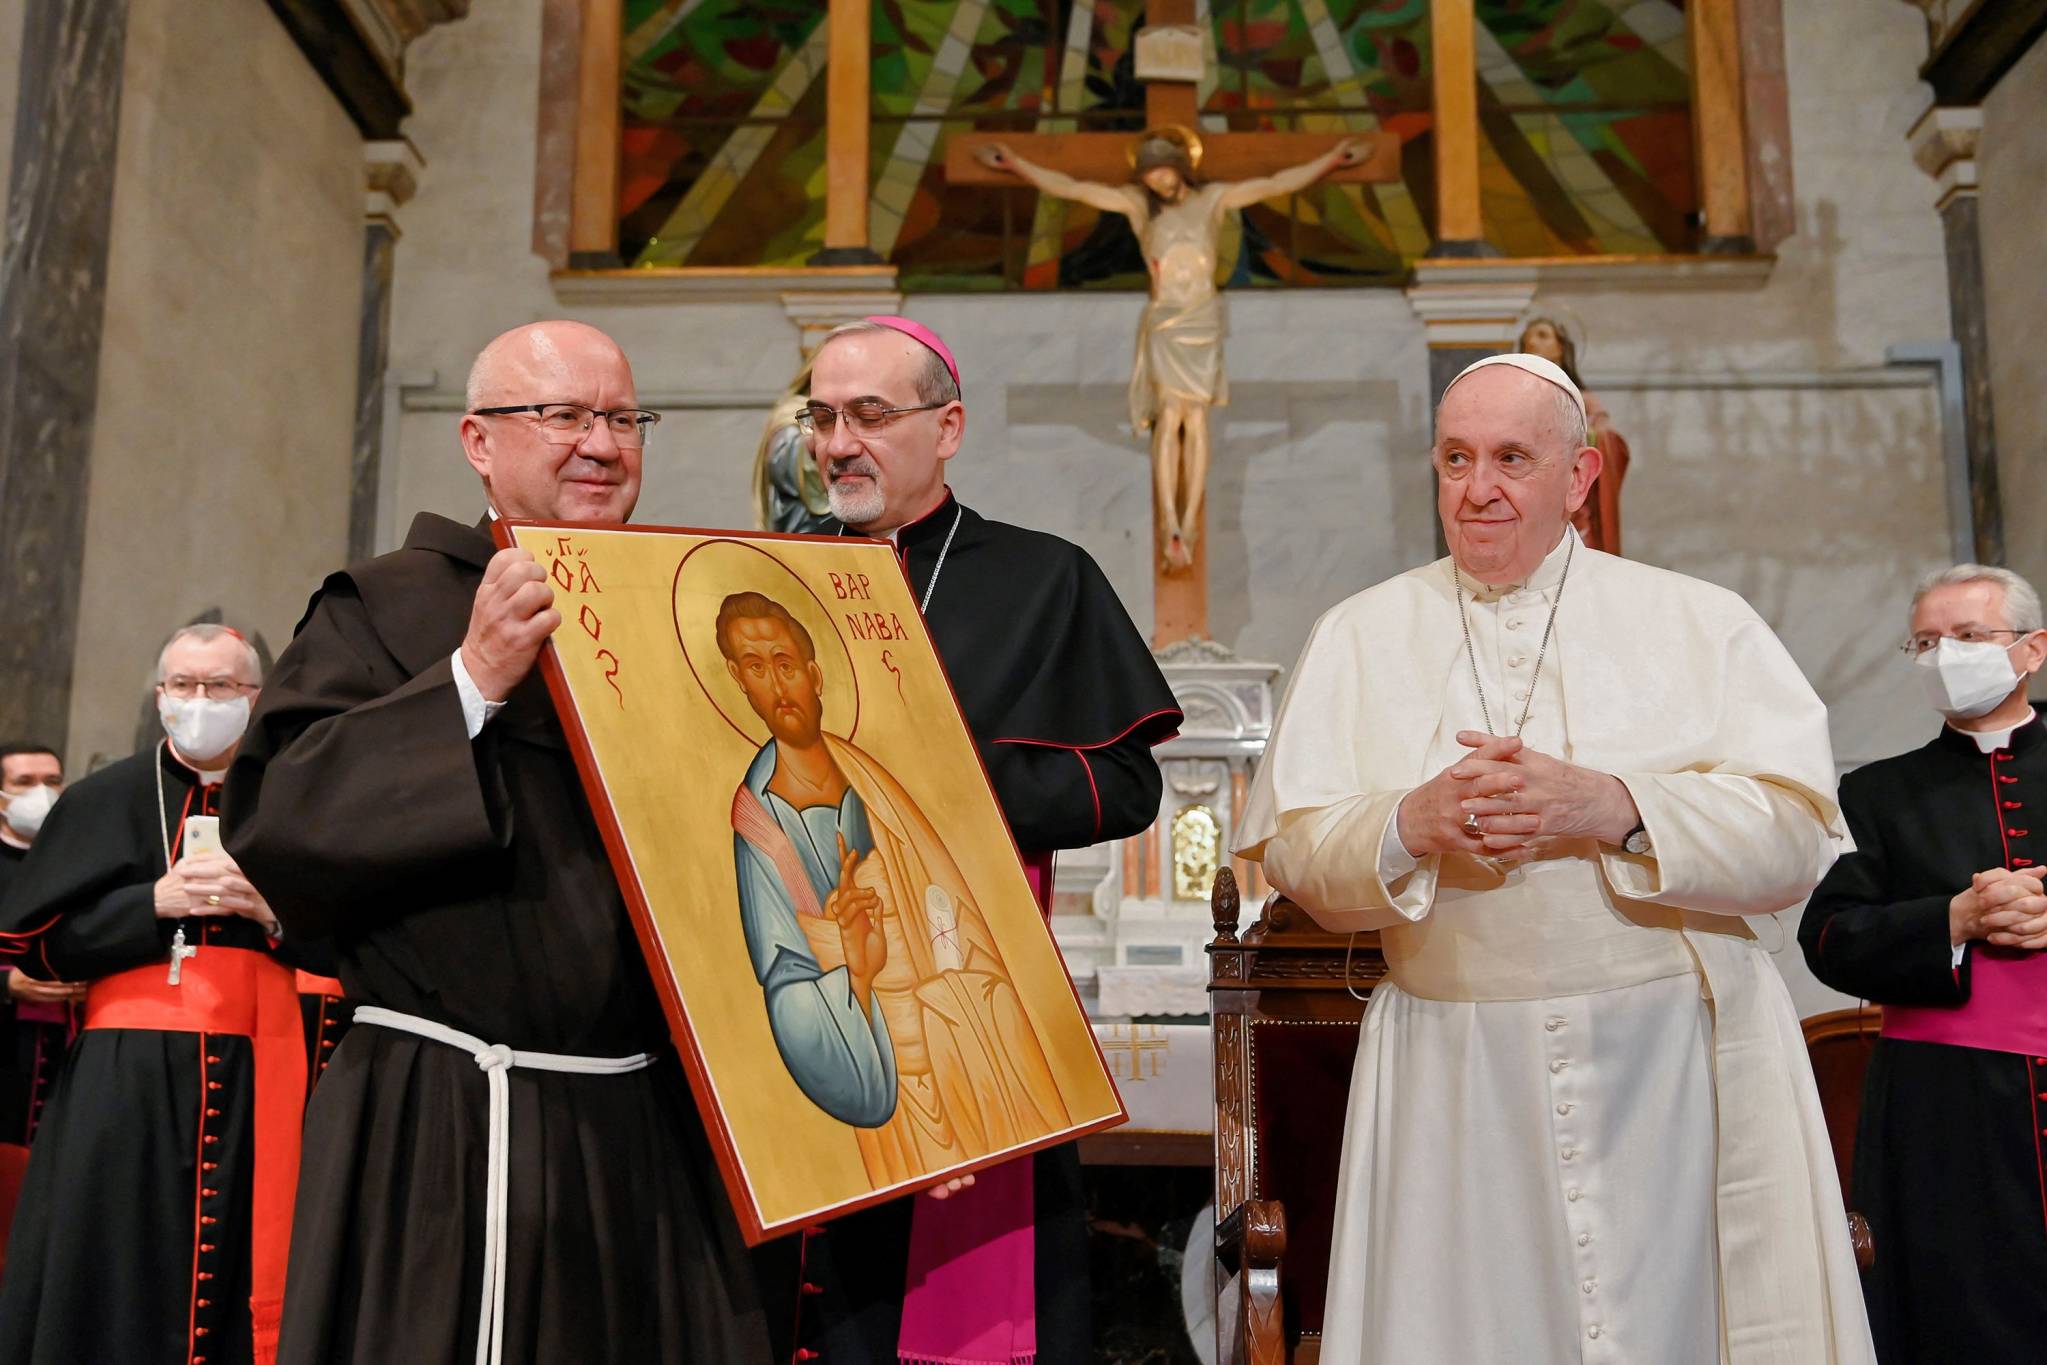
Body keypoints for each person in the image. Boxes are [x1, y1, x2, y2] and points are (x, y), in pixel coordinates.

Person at [1236, 352, 1874, 1363]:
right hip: (1453, 1070)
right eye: (1454, 458)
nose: (1476, 489)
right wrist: (1413, 821)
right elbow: (1296, 852)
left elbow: (1797, 835)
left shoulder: (1698, 621)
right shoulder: (1358, 633)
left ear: (1578, 478)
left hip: (1670, 1064)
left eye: (1510, 459)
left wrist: (1615, 807)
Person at [223, 321, 769, 1365]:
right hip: (451, 1119)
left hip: (646, 1126)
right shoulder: (382, 604)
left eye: (621, 417)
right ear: (479, 442)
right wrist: (468, 679)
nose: (601, 444)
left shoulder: (681, 614)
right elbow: (276, 820)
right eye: (564, 415)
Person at [754, 316, 1180, 1365]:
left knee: (954, 1307)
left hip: (965, 996)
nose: (838, 442)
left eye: (869, 415)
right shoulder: (765, 577)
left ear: (947, 428)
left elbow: (1124, 786)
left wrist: (949, 781)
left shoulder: (1043, 578)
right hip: (787, 994)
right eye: (821, 417)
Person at [0, 625, 314, 1365]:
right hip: (125, 1080)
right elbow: (39, 943)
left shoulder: (296, 796)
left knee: (242, 1259)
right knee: (111, 1261)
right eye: (183, 686)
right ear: (160, 695)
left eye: (220, 687)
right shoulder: (102, 798)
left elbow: (358, 943)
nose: (199, 702)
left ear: (256, 697)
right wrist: (154, 902)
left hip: (261, 1076)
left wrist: (270, 911)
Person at [718, 590, 1068, 1183]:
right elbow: (785, 987)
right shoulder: (760, 825)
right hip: (877, 1059)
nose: (777, 686)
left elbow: (957, 916)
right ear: (737, 682)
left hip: (962, 1049)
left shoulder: (876, 780)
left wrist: (953, 989)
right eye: (755, 668)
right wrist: (856, 970)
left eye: (784, 663)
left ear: (815, 673)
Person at [1800, 564, 2047, 1364]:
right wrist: (1951, 916)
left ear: (2030, 650)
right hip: (1942, 1106)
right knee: (1958, 1306)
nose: (1945, 655)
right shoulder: (1875, 794)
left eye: (1969, 637)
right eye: (1927, 641)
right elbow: (1828, 936)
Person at [977, 130, 1365, 572]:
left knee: (1196, 420)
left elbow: (1276, 184)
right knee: (1170, 418)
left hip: (1202, 322)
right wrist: (1018, 165)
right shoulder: (1140, 208)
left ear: (1181, 169)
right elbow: (1073, 188)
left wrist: (1330, 160)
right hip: (1166, 322)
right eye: (1151, 179)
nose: (1159, 186)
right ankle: (1170, 524)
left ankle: (1190, 521)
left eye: (1164, 175)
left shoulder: (1214, 200)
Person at [0, 743, 75, 1263]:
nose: (41, 793)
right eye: (25, 781)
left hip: (68, 1048)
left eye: (52, 779)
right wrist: (7, 985)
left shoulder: (78, 859)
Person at [1518, 316, 1630, 555]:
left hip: (1573, 500)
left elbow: (1607, 438)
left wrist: (1589, 437)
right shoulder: (1515, 397)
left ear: (1560, 347)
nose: (1532, 341)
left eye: (1542, 335)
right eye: (1527, 338)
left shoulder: (1580, 398)